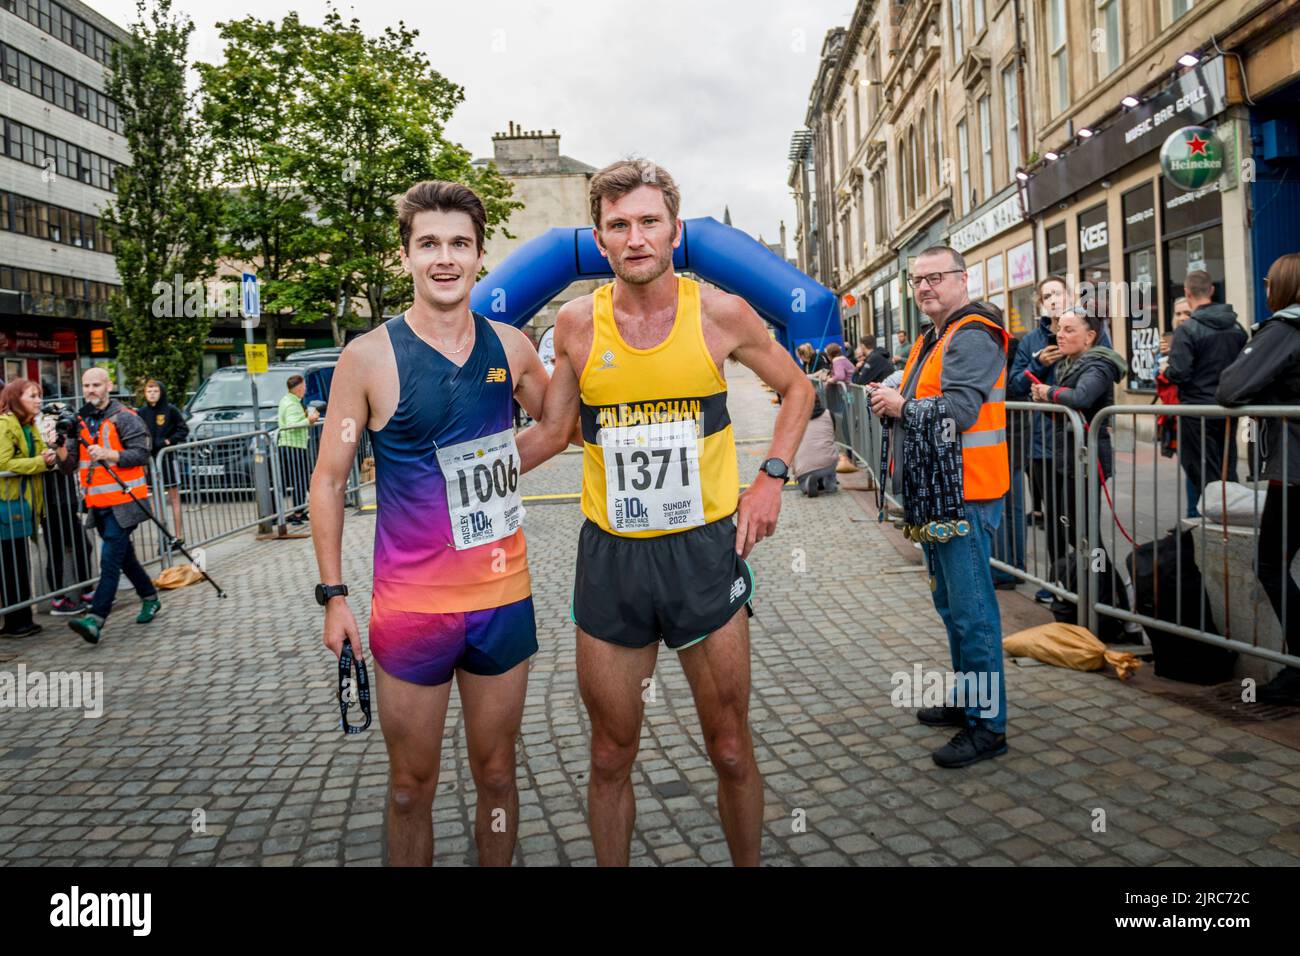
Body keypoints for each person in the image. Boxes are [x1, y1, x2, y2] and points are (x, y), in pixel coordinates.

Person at [517, 159, 814, 865]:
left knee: (732, 747)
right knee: (611, 753)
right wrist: (452, 473)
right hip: (613, 557)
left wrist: (771, 477)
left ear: (675, 231)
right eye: (619, 225)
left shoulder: (720, 313)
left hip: (704, 553)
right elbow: (555, 432)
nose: (636, 237)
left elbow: (798, 390)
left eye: (650, 221)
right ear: (600, 238)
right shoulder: (575, 326)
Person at [310, 180, 552, 867]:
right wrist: (334, 596)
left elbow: (559, 424)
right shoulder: (367, 357)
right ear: (406, 257)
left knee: (499, 775)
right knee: (411, 789)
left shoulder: (511, 348)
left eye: (458, 245)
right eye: (428, 245)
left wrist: (502, 461)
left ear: (479, 255)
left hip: (503, 602)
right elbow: (329, 479)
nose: (444, 259)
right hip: (411, 611)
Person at [870, 245, 1009, 768]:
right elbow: (925, 396)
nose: (924, 287)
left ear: (962, 279)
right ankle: (971, 701)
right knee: (953, 608)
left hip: (966, 492)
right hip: (942, 491)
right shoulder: (937, 336)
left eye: (935, 278)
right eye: (917, 280)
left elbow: (963, 410)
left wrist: (902, 406)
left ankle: (987, 727)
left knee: (974, 614)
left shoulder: (971, 333)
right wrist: (891, 394)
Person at [1217, 252, 1300, 705]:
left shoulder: (1285, 328)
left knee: (1270, 564)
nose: (1266, 288)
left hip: (1294, 472)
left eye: (1270, 282)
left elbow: (1230, 388)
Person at [1029, 311, 1127, 589]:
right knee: (1071, 530)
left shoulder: (1099, 363)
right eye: (1059, 329)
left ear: (1090, 337)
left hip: (1087, 458)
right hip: (1068, 456)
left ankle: (1115, 595)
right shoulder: (1069, 364)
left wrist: (1048, 393)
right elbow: (1065, 409)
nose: (1060, 334)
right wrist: (1043, 397)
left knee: (1084, 533)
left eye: (1069, 330)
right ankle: (1090, 593)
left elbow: (1082, 397)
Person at [65, 368, 162, 644]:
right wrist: (57, 452)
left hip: (125, 501)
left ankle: (95, 618)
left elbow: (143, 453)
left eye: (96, 384)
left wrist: (111, 454)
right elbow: (70, 462)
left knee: (109, 559)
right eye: (86, 385)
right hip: (97, 502)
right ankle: (150, 597)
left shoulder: (126, 417)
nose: (91, 390)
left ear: (109, 385)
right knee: (124, 557)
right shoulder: (80, 418)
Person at [1165, 269, 1247, 518]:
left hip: (1196, 411)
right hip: (1227, 408)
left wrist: (1167, 370)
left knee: (1200, 474)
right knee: (1226, 469)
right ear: (1211, 290)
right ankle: (1227, 525)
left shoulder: (1188, 330)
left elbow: (1179, 372)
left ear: (1187, 293)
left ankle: (1207, 527)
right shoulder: (1237, 327)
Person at [0, 379, 73, 637]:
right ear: (16, 398)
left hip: (22, 504)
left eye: (39, 395)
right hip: (6, 504)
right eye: (32, 396)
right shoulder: (4, 425)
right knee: (10, 563)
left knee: (20, 562)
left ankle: (22, 618)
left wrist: (50, 455)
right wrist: (40, 462)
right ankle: (14, 621)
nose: (38, 401)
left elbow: (42, 454)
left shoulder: (28, 425)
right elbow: (4, 462)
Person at [35, 402, 94, 616]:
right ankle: (58, 599)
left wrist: (58, 445)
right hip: (48, 502)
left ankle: (87, 591)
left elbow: (69, 464)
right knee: (56, 551)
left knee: (82, 545)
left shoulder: (65, 433)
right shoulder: (35, 432)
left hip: (66, 500)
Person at [140, 379, 188, 542]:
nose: (152, 394)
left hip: (167, 457)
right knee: (155, 497)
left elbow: (183, 429)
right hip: (150, 459)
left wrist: (168, 441)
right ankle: (163, 534)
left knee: (174, 496)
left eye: (155, 391)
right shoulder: (142, 413)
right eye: (149, 391)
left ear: (161, 392)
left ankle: (178, 535)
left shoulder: (171, 410)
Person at [277, 374, 318, 525]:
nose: (305, 389)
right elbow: (291, 423)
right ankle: (298, 513)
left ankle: (292, 511)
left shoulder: (287, 400)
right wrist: (309, 420)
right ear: (299, 388)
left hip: (288, 445)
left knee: (292, 480)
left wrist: (305, 416)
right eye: (304, 386)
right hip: (294, 446)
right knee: (300, 480)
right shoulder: (292, 404)